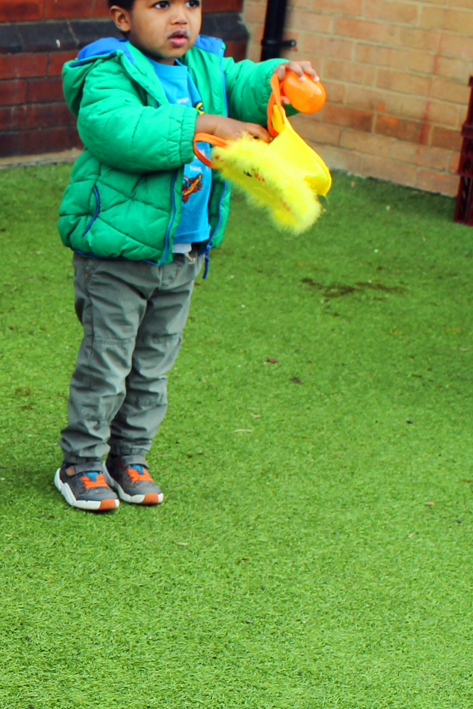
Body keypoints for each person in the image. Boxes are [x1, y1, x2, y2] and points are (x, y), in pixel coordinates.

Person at [52, 0, 317, 511]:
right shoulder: (107, 71)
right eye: (160, 5)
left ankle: (129, 456)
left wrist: (280, 80)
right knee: (108, 363)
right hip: (117, 254)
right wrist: (204, 125)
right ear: (122, 17)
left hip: (183, 253)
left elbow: (246, 84)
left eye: (191, 4)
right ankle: (81, 462)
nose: (181, 17)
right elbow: (120, 132)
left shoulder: (206, 65)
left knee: (152, 367)